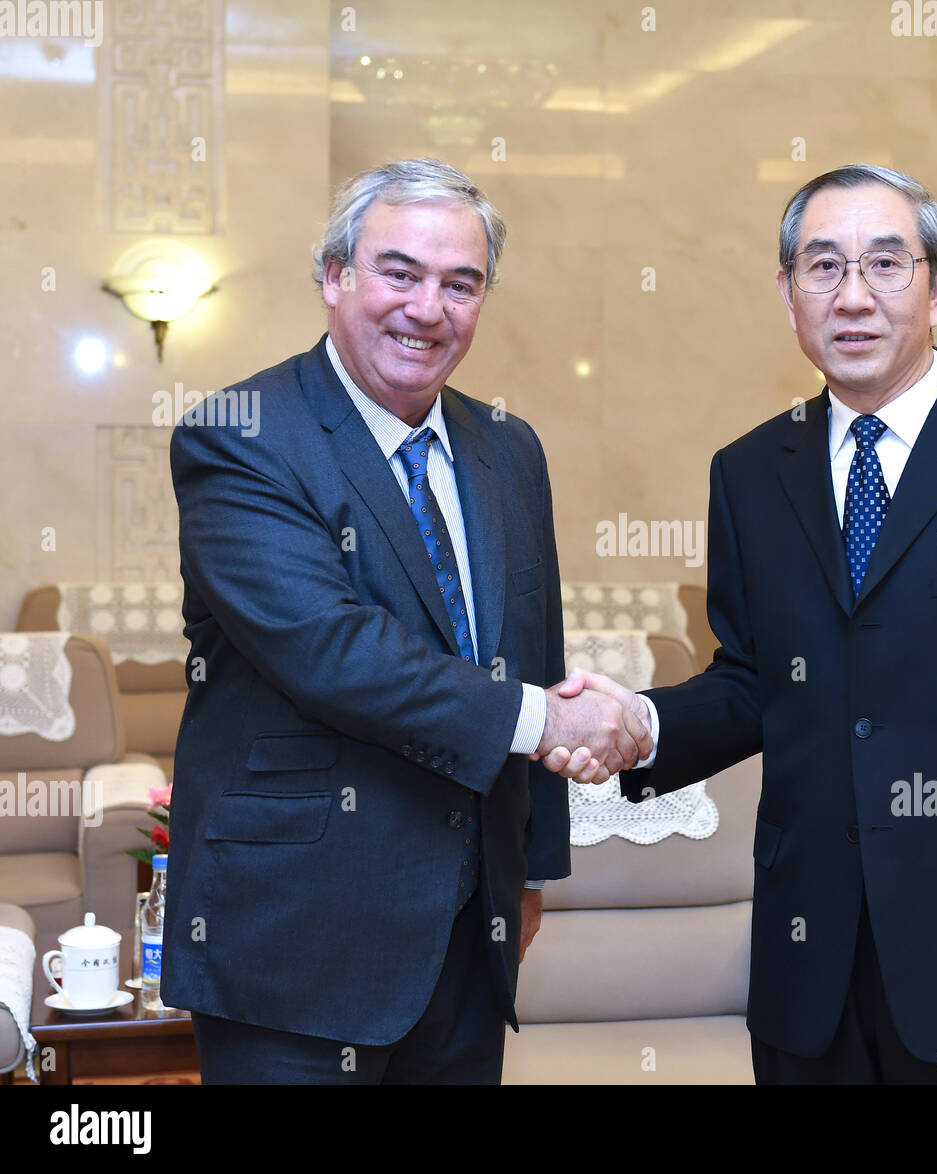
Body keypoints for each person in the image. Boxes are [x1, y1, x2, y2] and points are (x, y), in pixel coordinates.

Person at [545, 164, 937, 1084]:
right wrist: (643, 723)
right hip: (812, 959)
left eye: (887, 264)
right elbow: (755, 679)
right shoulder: (750, 471)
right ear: (787, 292)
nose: (855, 296)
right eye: (823, 267)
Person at [164, 158, 650, 1084]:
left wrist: (533, 869)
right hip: (294, 944)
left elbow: (531, 651)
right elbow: (332, 651)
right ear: (334, 277)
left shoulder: (508, 447)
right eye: (400, 272)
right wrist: (555, 721)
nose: (428, 309)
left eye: (460, 284)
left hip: (471, 931)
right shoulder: (241, 434)